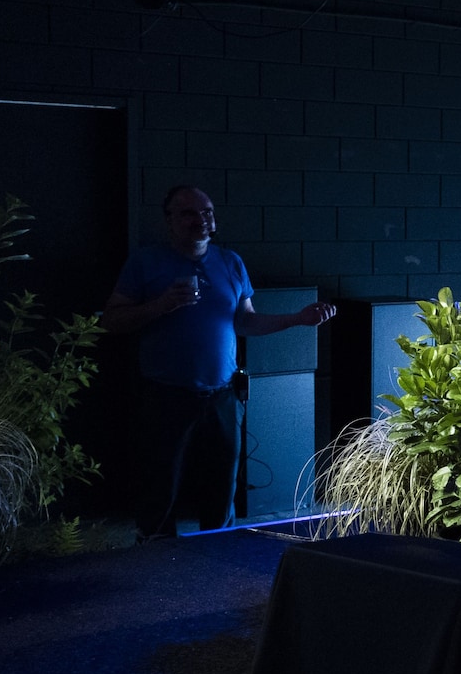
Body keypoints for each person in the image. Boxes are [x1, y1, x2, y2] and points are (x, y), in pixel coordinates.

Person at [102, 187, 336, 539]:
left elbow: (246, 322)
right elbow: (111, 321)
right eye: (189, 213)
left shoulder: (230, 262)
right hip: (164, 396)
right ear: (169, 221)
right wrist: (160, 305)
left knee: (222, 487)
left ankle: (220, 559)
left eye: (207, 212)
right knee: (159, 489)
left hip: (222, 396)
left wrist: (298, 319)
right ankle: (153, 561)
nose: (201, 220)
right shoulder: (145, 263)